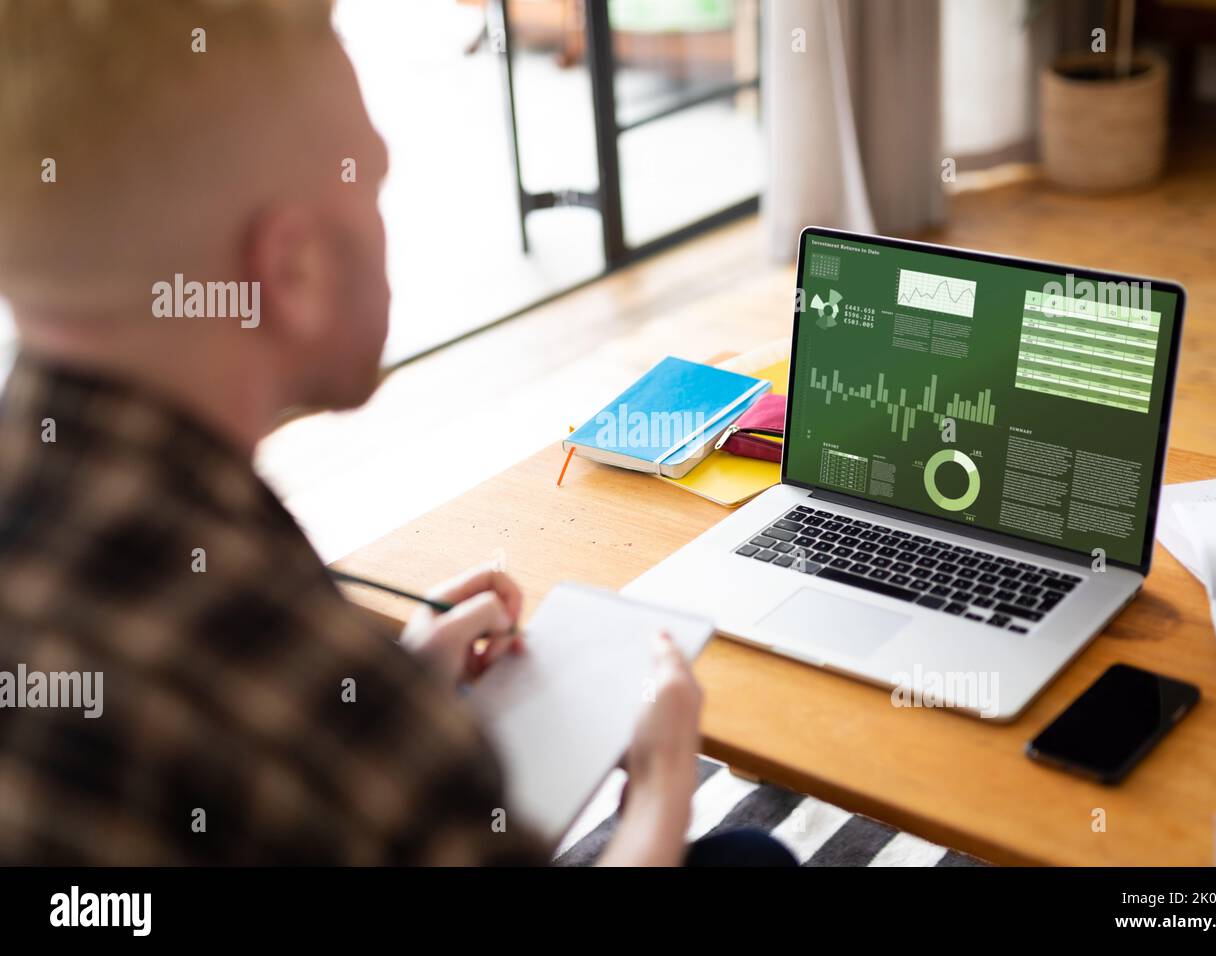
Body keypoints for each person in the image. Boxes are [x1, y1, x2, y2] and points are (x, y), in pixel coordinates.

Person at [0, 0, 728, 866]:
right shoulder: (275, 666)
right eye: (371, 183)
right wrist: (659, 787)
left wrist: (387, 684)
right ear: (294, 269)